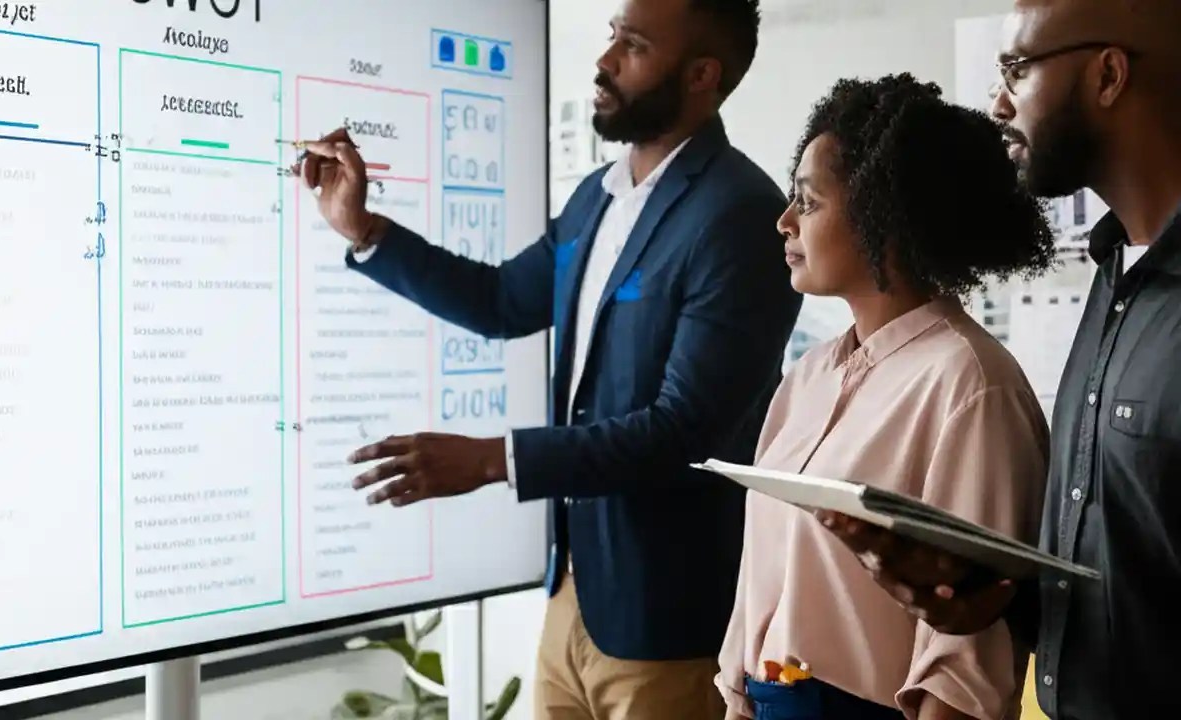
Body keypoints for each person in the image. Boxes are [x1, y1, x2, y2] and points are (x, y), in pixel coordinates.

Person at [295, 0, 801, 717]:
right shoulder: (597, 197)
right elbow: (502, 299)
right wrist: (365, 228)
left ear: (701, 75)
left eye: (633, 46)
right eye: (611, 38)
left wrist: (488, 460)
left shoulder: (740, 213)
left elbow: (682, 430)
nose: (604, 63)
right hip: (573, 600)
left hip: (670, 622)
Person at [816, 1, 1181, 717]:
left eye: (1016, 68)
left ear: (1108, 74)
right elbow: (1131, 579)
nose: (997, 102)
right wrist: (986, 593)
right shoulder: (1114, 280)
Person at [714, 73, 1057, 720]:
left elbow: (965, 666)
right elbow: (758, 584)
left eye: (808, 202)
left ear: (883, 213)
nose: (784, 221)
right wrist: (737, 700)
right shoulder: (808, 376)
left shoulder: (971, 386)